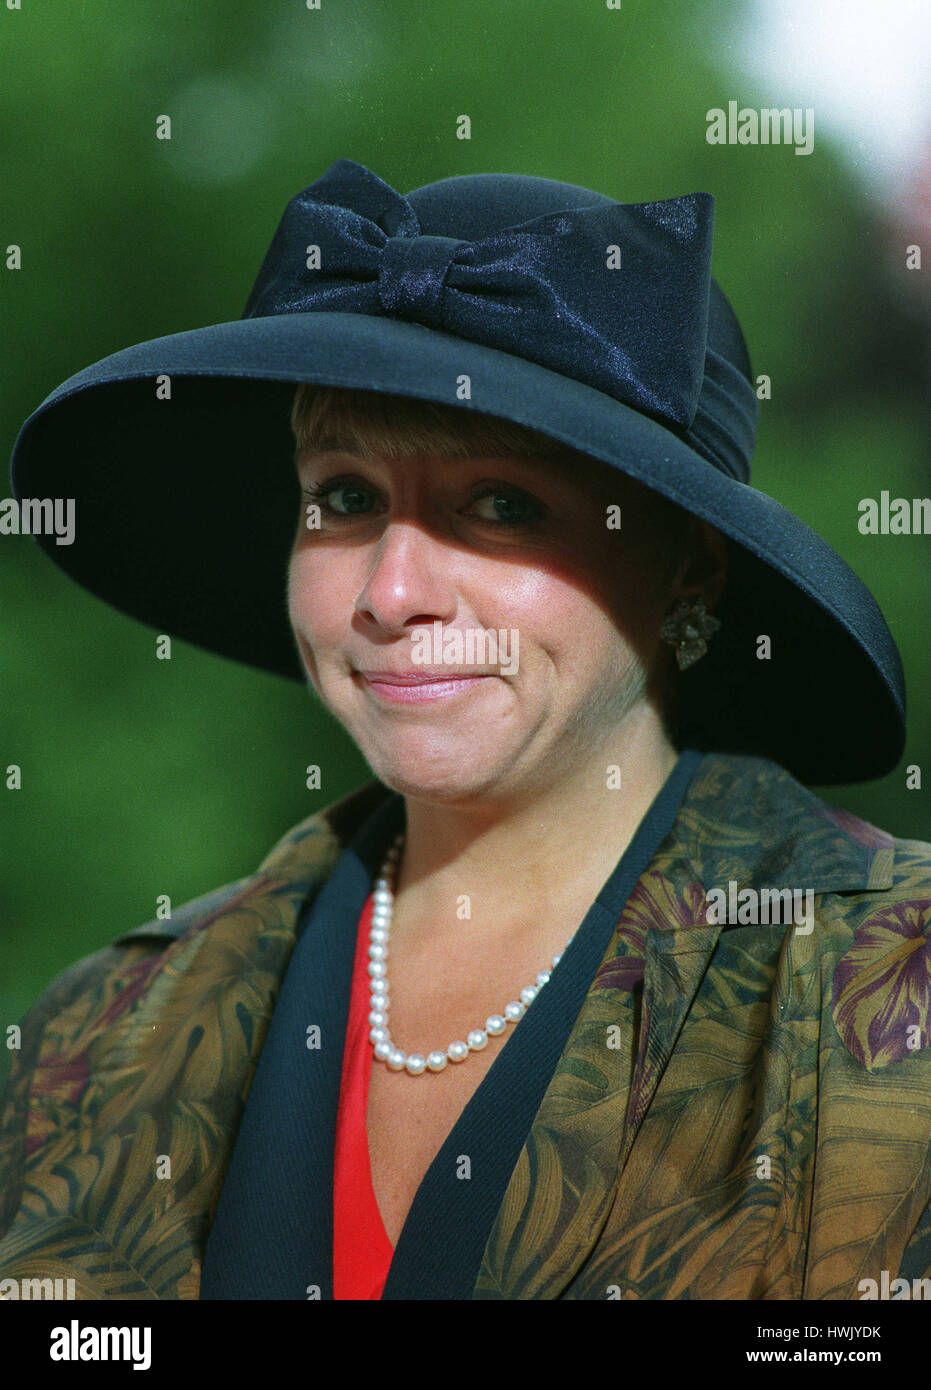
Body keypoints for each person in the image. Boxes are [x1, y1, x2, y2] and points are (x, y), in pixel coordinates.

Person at [1, 159, 929, 1302]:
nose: (392, 593)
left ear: (686, 565)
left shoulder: (889, 984)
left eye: (501, 504)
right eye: (344, 497)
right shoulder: (96, 1033)